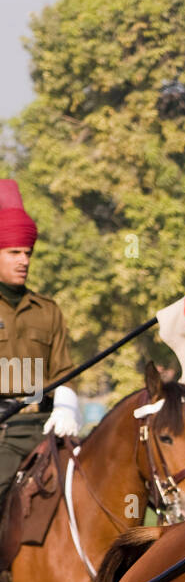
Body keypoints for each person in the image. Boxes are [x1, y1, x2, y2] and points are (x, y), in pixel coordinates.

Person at [0, 180, 80, 521]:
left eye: (27, 253)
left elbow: (64, 370)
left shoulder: (48, 310)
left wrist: (65, 406)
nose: (23, 261)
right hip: (3, 432)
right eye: (14, 253)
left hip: (44, 427)